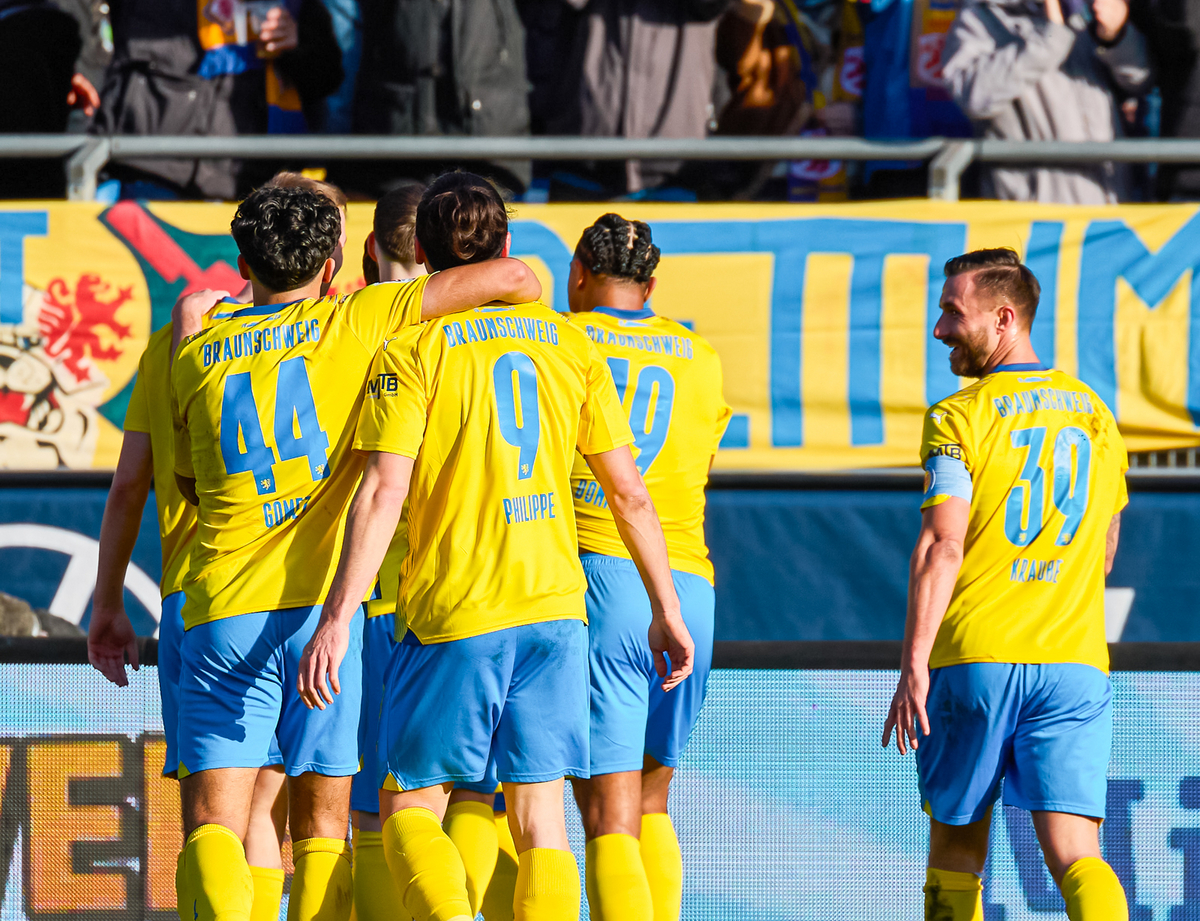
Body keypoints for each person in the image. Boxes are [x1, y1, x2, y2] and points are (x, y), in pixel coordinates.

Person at [296, 171, 695, 921]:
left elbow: (382, 491)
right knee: (542, 820)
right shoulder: (570, 342)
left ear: (420, 253)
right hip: (555, 610)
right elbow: (630, 494)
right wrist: (665, 607)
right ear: (506, 245)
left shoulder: (412, 350)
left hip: (458, 606)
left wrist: (338, 617)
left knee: (408, 804)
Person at [169, 184, 541, 921]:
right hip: (323, 614)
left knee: (215, 826)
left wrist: (190, 325)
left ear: (242, 263)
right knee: (323, 830)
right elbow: (515, 277)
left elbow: (187, 482)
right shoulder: (359, 318)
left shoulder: (197, 355)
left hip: (224, 606)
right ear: (334, 265)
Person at [882, 248, 1129, 920]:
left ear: (1003, 318)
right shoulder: (1096, 415)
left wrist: (913, 662)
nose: (939, 329)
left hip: (977, 657)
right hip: (1074, 662)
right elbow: (1106, 550)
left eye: (951, 312)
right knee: (1078, 854)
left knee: (957, 849)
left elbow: (942, 543)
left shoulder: (957, 416)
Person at [87, 286, 296, 921]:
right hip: (297, 591)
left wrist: (107, 603)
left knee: (212, 822)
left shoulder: (168, 347)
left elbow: (129, 484)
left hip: (200, 596)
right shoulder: (320, 332)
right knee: (269, 816)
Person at [565, 214, 731, 921]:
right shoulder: (700, 355)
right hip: (688, 583)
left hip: (602, 572)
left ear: (578, 272)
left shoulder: (559, 339)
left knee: (603, 812)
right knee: (653, 797)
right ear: (652, 286)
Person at [348, 180, 425, 921]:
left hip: (373, 600)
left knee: (370, 810)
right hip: (477, 596)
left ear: (371, 249)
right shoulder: (489, 331)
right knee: (495, 805)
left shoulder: (340, 327)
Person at [92, 0, 343, 199]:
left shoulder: (295, 6)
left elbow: (328, 79)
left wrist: (297, 43)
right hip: (151, 168)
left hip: (254, 184)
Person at [941, 0, 1152, 203]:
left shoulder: (1083, 12)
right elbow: (974, 96)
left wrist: (1115, 37)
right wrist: (1049, 39)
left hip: (1108, 205)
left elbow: (1140, 80)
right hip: (1034, 212)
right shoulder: (981, 17)